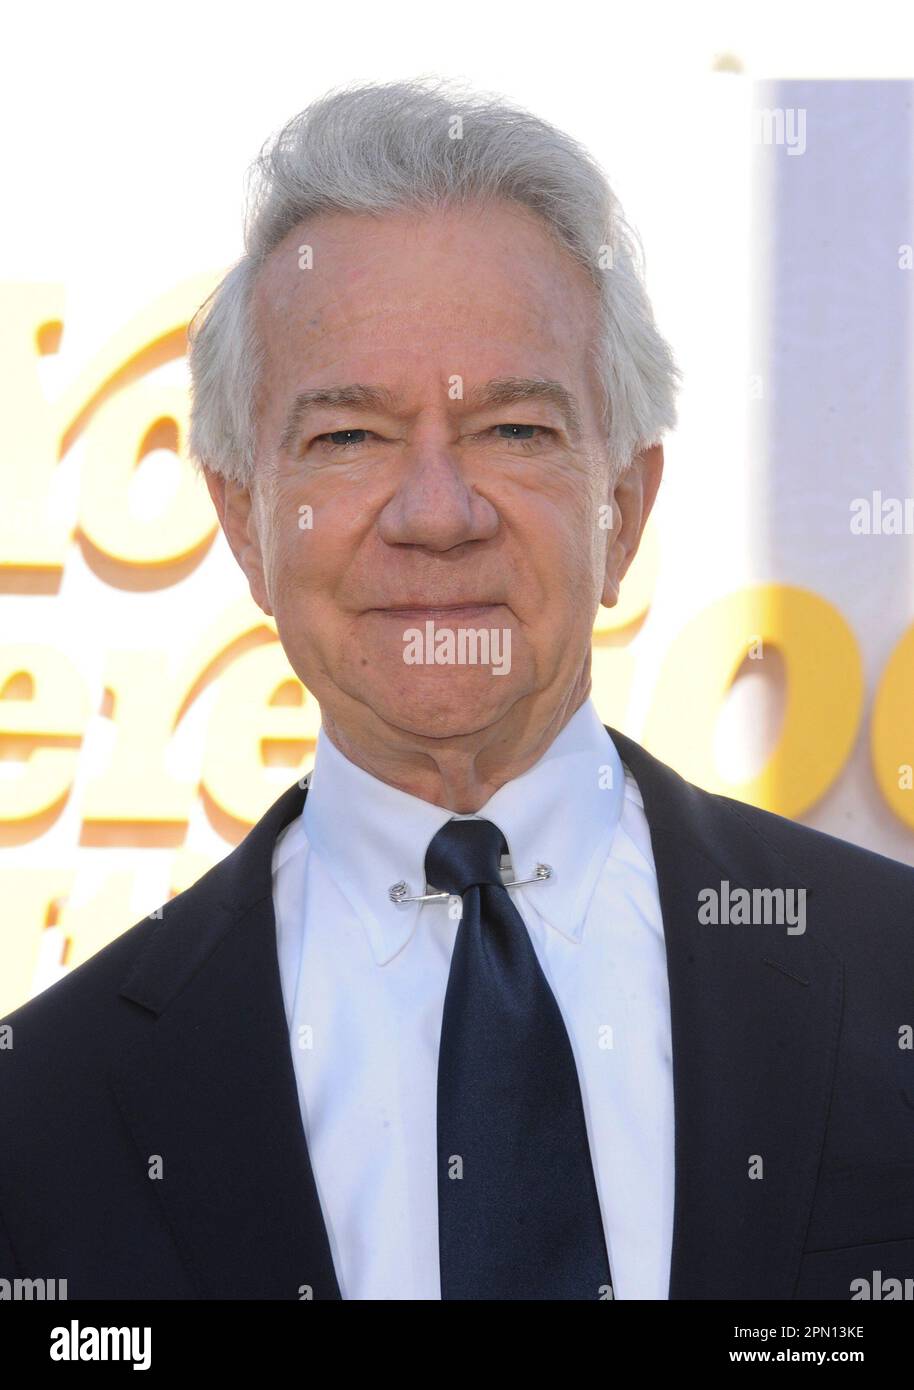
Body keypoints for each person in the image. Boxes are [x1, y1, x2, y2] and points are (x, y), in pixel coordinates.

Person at [2, 77, 913, 1302]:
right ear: (241, 519)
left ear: (624, 506)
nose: (437, 513)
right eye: (348, 438)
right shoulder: (44, 1107)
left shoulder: (889, 970)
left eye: (514, 431)